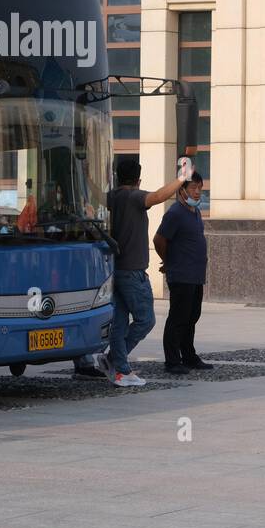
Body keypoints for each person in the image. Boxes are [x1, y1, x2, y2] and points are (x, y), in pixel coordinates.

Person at [105, 157, 191, 387]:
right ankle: (116, 362)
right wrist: (182, 178)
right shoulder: (134, 197)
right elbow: (159, 196)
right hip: (133, 272)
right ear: (138, 180)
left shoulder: (112, 196)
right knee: (146, 320)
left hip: (116, 270)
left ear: (118, 177)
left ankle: (119, 368)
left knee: (120, 323)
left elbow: (95, 192)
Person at [154, 172, 213, 374]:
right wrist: (168, 260)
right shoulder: (175, 213)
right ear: (182, 190)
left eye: (200, 188)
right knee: (178, 317)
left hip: (195, 274)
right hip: (181, 274)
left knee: (192, 316)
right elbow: (159, 240)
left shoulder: (195, 212)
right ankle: (172, 360)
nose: (197, 192)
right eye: (193, 188)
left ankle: (189, 356)